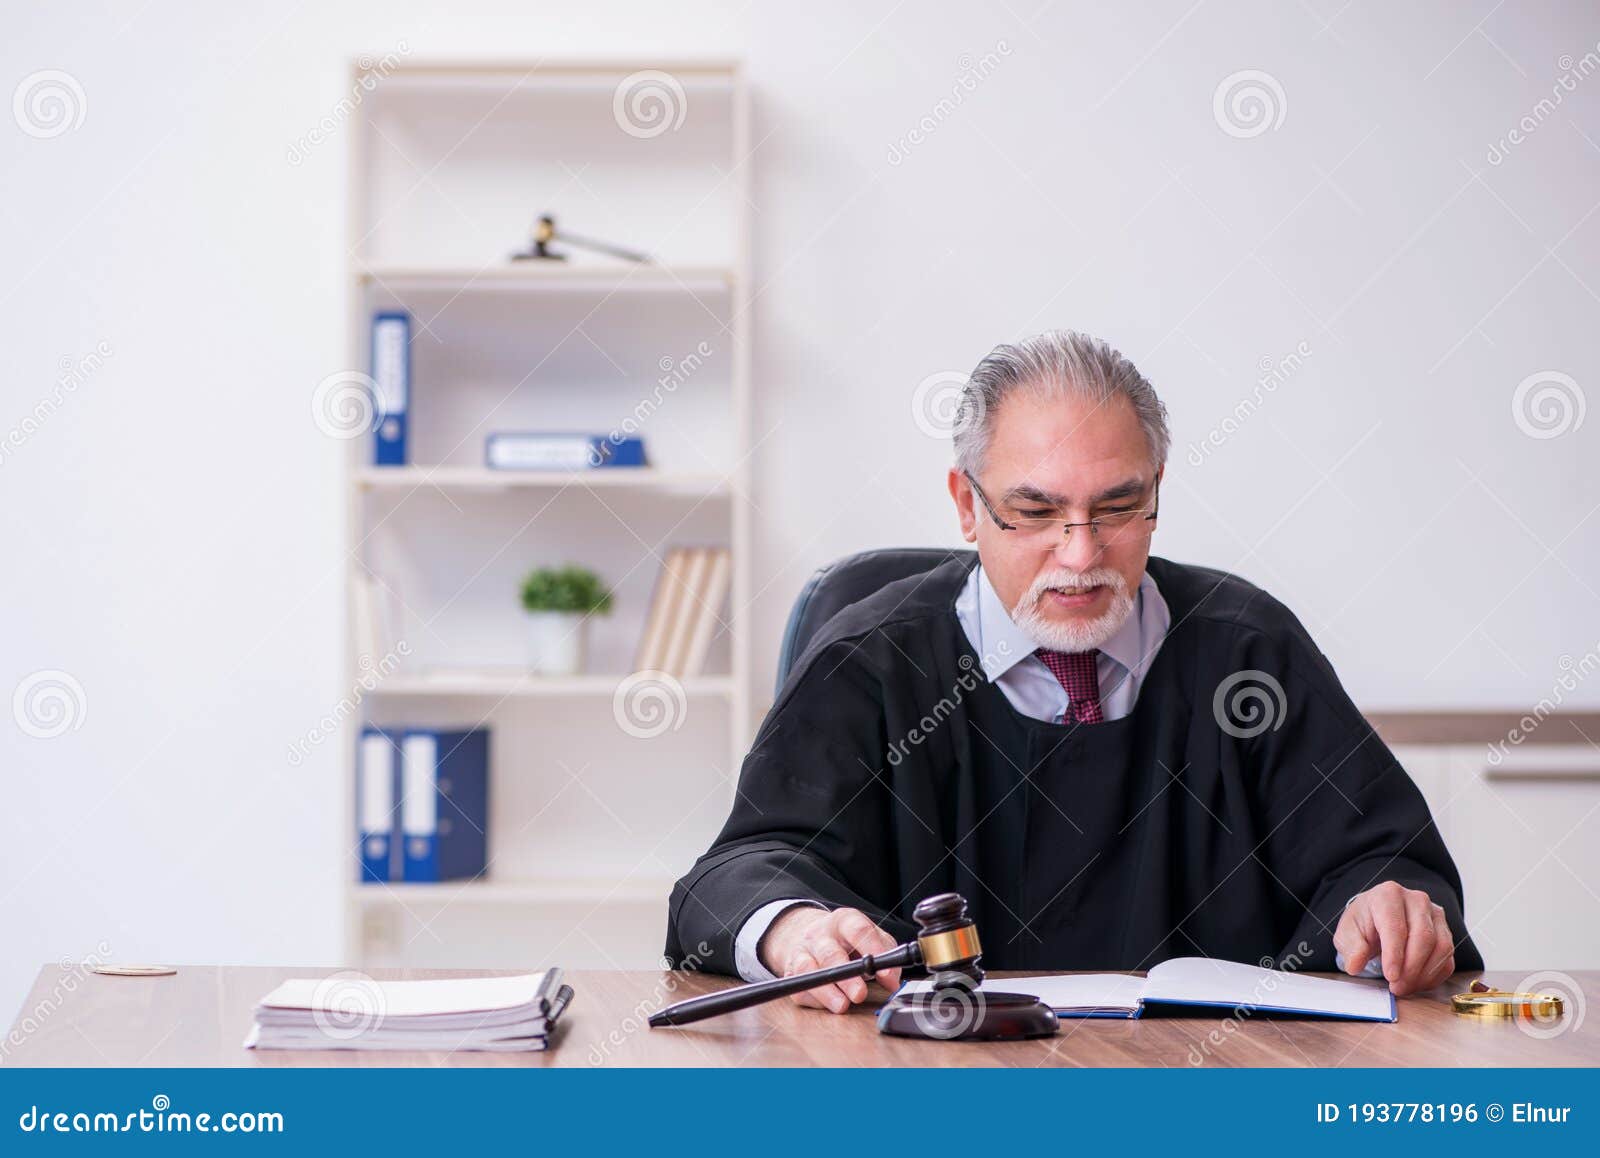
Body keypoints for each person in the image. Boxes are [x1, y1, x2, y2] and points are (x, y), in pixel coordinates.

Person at [664, 330, 1481, 1013]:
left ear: (1157, 489)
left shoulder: (1248, 653)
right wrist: (794, 930)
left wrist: (1388, 907)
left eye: (1118, 508)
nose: (1083, 555)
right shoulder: (870, 662)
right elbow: (741, 872)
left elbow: (1377, 859)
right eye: (1035, 512)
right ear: (964, 503)